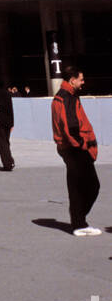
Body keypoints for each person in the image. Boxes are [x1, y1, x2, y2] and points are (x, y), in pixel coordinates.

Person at [52, 66, 101, 236]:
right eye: (81, 79)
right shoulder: (67, 98)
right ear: (72, 80)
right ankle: (79, 222)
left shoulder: (65, 96)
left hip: (69, 148)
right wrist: (83, 146)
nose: (83, 82)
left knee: (76, 186)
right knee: (91, 185)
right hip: (75, 149)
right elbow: (71, 126)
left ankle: (78, 222)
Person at [0, 79, 15, 170]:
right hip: (8, 122)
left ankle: (7, 163)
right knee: (6, 142)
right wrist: (12, 123)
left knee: (1, 143)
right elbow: (11, 109)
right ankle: (10, 160)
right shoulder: (8, 94)